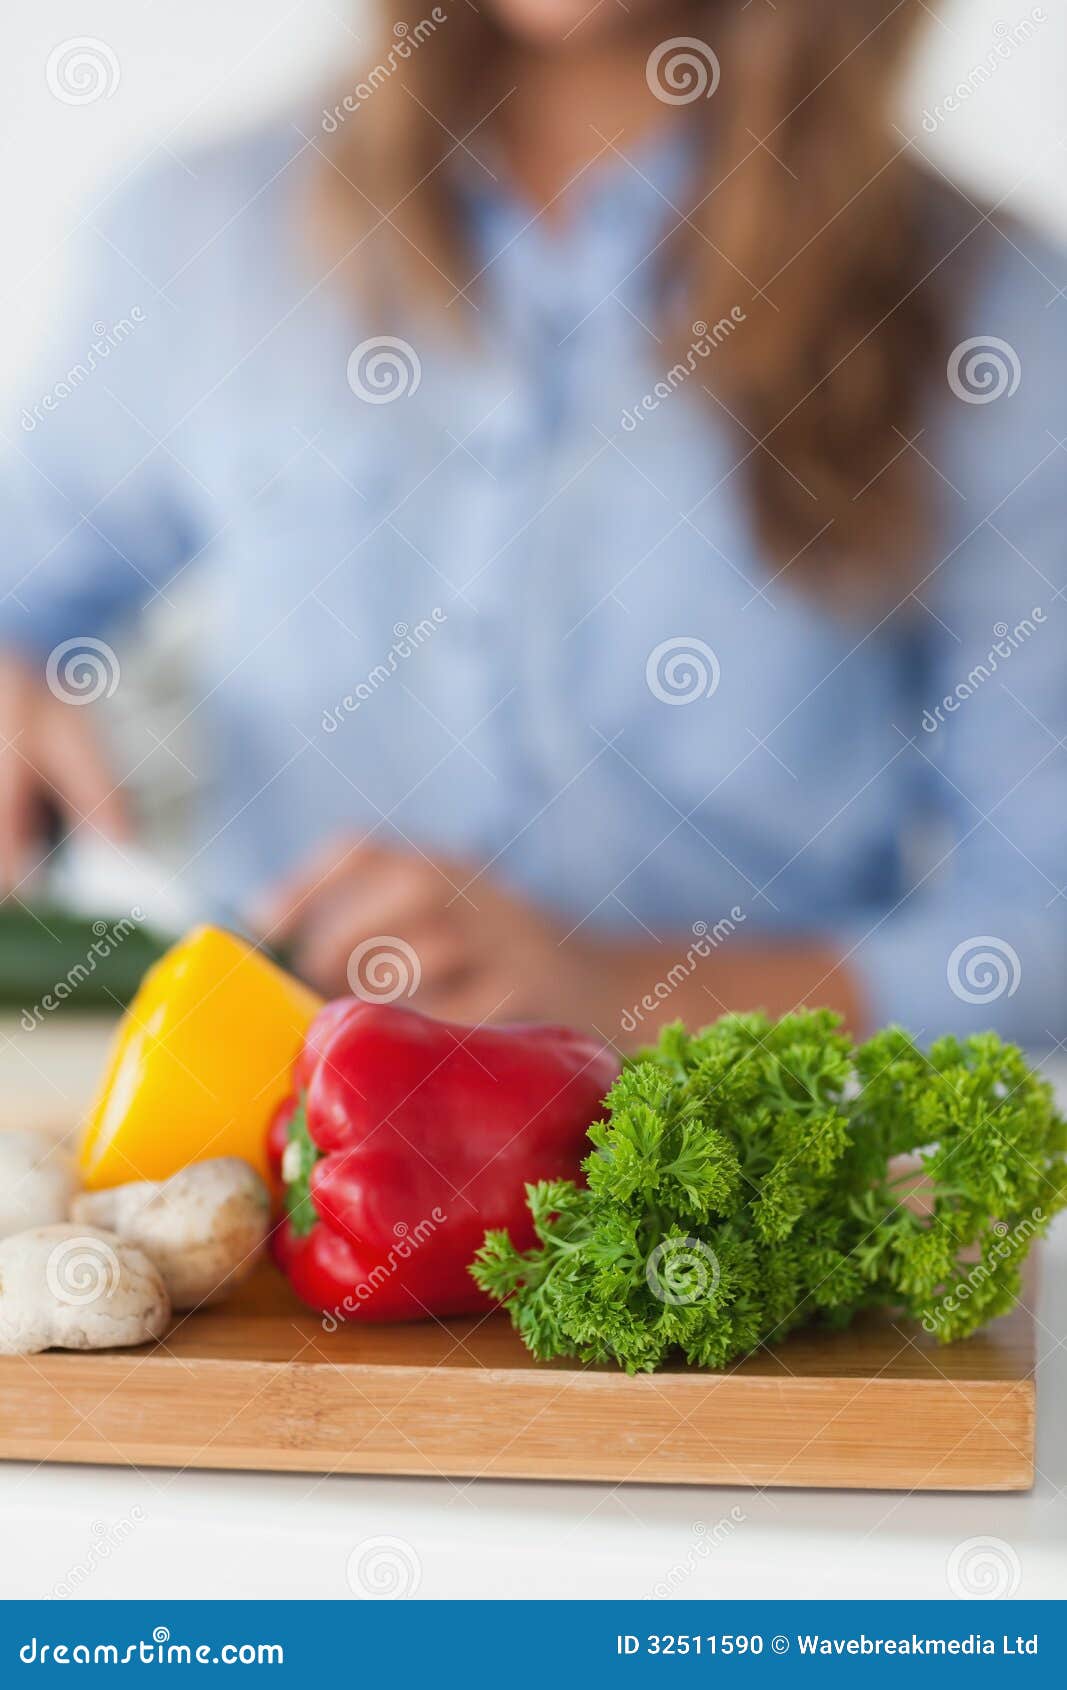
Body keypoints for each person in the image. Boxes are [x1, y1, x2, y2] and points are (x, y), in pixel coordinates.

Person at [1, 0, 1064, 1047]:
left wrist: (625, 991)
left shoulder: (995, 309)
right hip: (270, 1154)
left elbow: (1040, 924)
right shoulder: (197, 230)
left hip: (732, 1190)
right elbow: (24, 591)